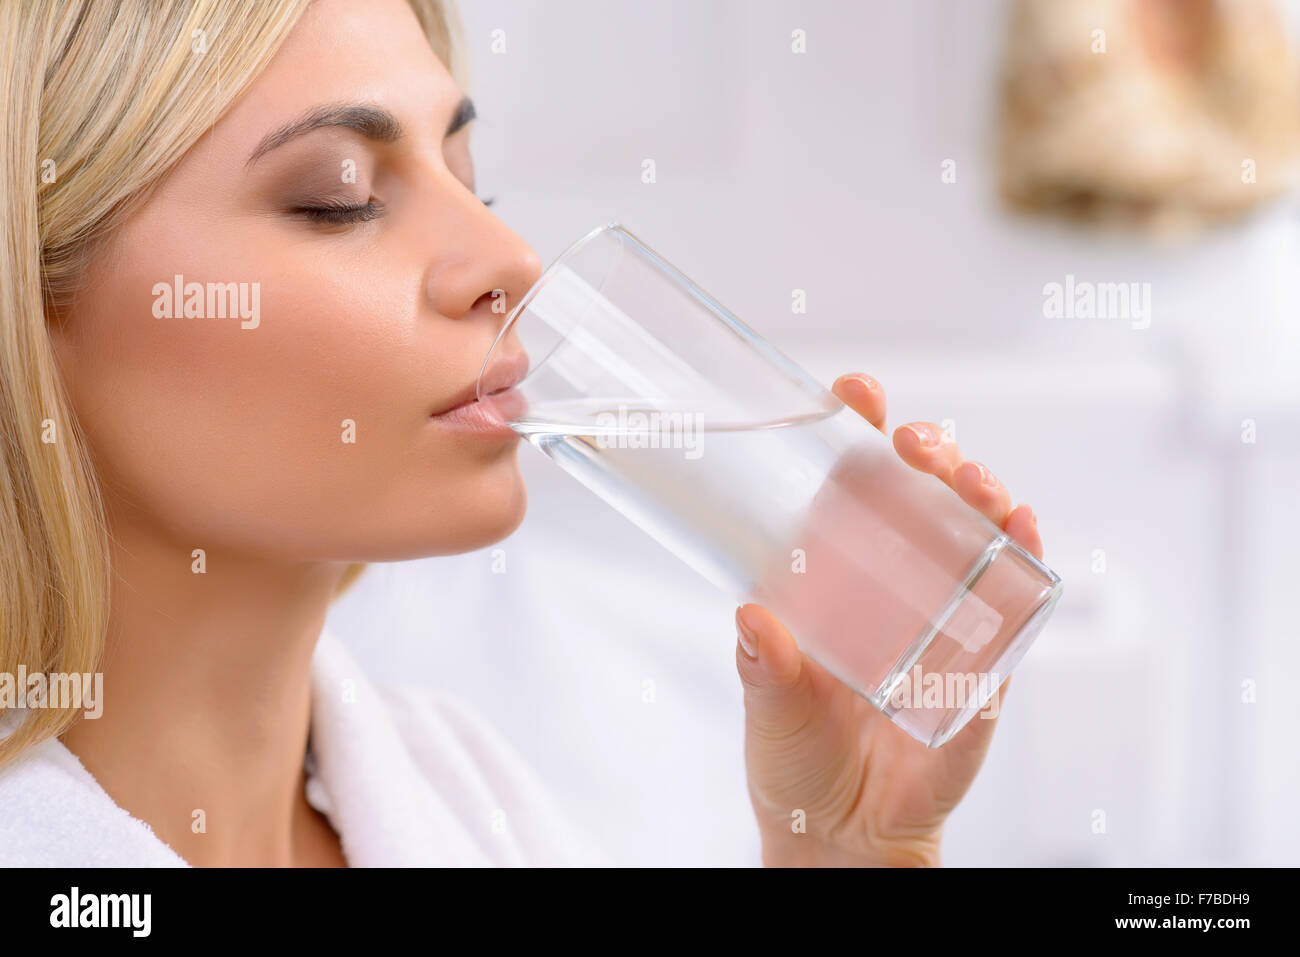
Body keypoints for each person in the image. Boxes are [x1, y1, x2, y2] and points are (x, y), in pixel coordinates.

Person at [0, 0, 1044, 867]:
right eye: (340, 199)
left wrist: (848, 854)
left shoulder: (470, 798)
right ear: (32, 316)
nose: (510, 257)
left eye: (469, 177)